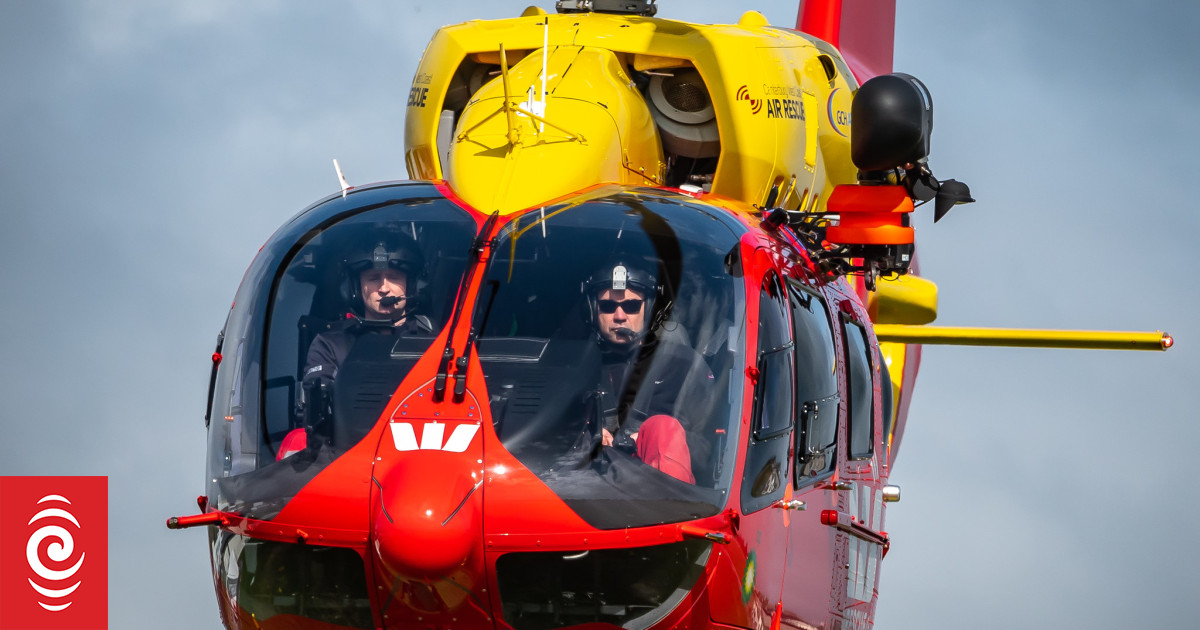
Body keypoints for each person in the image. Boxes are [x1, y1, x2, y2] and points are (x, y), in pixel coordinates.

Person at [278, 234, 433, 460]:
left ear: (412, 284)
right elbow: (318, 411)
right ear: (354, 287)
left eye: (394, 277)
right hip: (351, 460)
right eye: (373, 278)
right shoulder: (330, 344)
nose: (384, 288)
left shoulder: (439, 343)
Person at [577, 261, 712, 483]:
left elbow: (713, 451)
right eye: (608, 306)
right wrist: (588, 439)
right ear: (593, 310)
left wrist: (657, 443)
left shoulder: (684, 365)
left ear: (648, 309)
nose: (619, 316)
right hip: (582, 491)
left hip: (662, 499)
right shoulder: (572, 366)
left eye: (631, 306)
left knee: (663, 429)